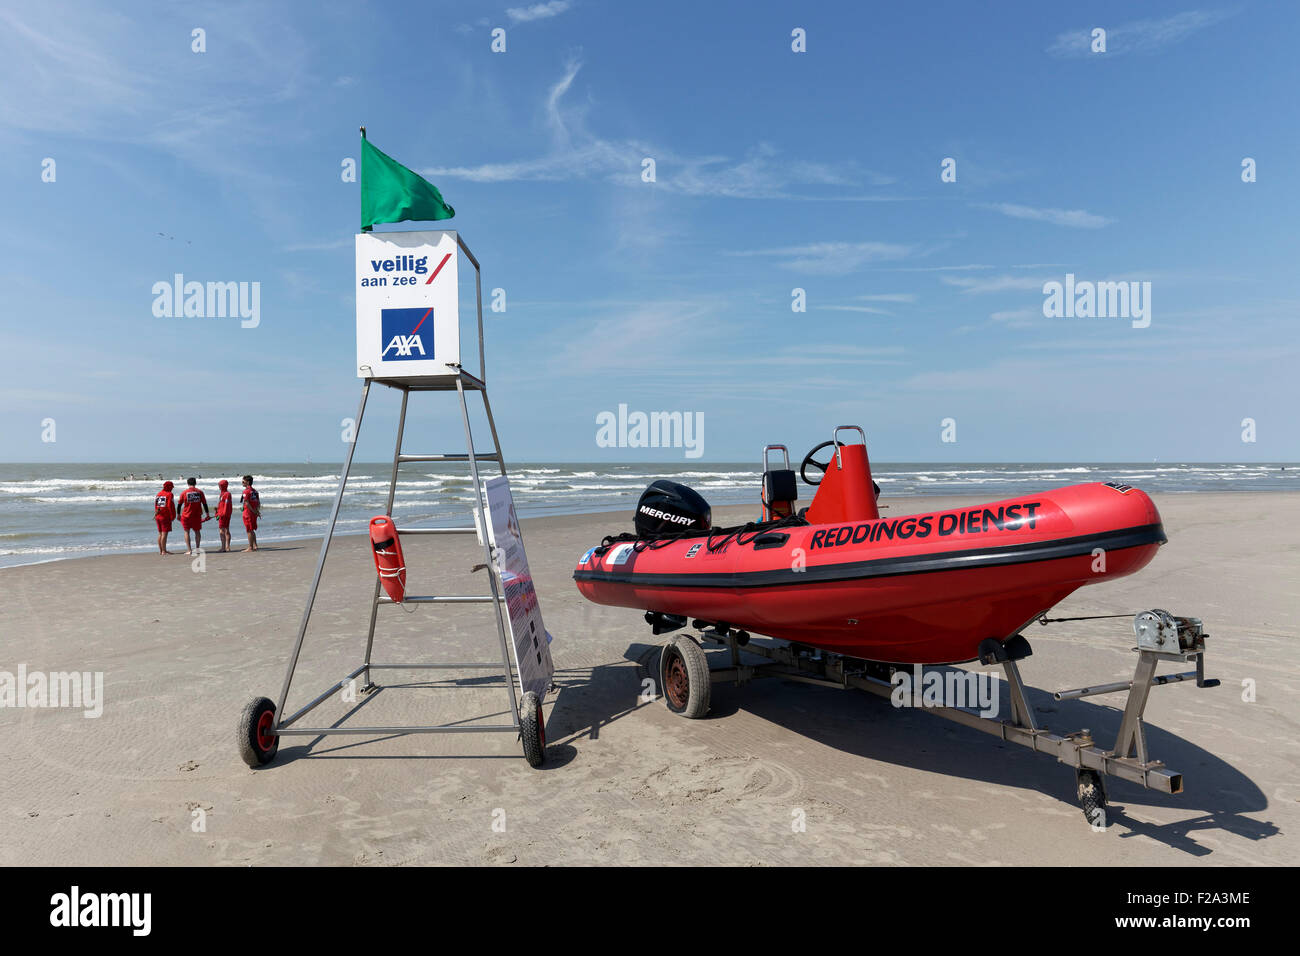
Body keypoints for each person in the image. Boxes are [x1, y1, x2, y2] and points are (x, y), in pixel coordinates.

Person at [178, 477, 210, 555]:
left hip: (186, 515)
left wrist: (178, 514)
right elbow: (204, 504)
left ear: (188, 484)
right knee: (197, 532)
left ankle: (189, 550)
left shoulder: (184, 492)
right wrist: (207, 514)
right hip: (197, 515)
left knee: (186, 532)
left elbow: (179, 505)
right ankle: (197, 549)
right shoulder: (200, 492)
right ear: (195, 483)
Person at [153, 480, 176, 555]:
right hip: (165, 516)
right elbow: (170, 506)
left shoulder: (158, 494)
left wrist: (156, 514)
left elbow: (156, 506)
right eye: (171, 487)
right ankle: (164, 551)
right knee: (164, 534)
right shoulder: (169, 494)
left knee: (160, 534)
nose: (172, 488)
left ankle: (161, 550)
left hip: (158, 516)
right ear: (169, 487)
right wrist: (173, 515)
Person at [240, 475, 261, 552]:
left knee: (249, 530)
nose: (242, 483)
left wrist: (253, 511)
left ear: (248, 482)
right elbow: (258, 502)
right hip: (253, 513)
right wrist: (257, 511)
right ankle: (255, 545)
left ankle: (250, 547)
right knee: (252, 530)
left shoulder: (246, 491)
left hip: (248, 513)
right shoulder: (255, 491)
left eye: (243, 481)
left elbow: (247, 502)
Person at [214, 479, 234, 552]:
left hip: (224, 515)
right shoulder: (222, 493)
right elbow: (221, 504)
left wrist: (223, 514)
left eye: (220, 485)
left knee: (223, 530)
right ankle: (225, 547)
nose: (219, 487)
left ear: (223, 486)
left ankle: (225, 547)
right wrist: (217, 510)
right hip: (222, 513)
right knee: (225, 530)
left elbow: (227, 504)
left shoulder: (227, 494)